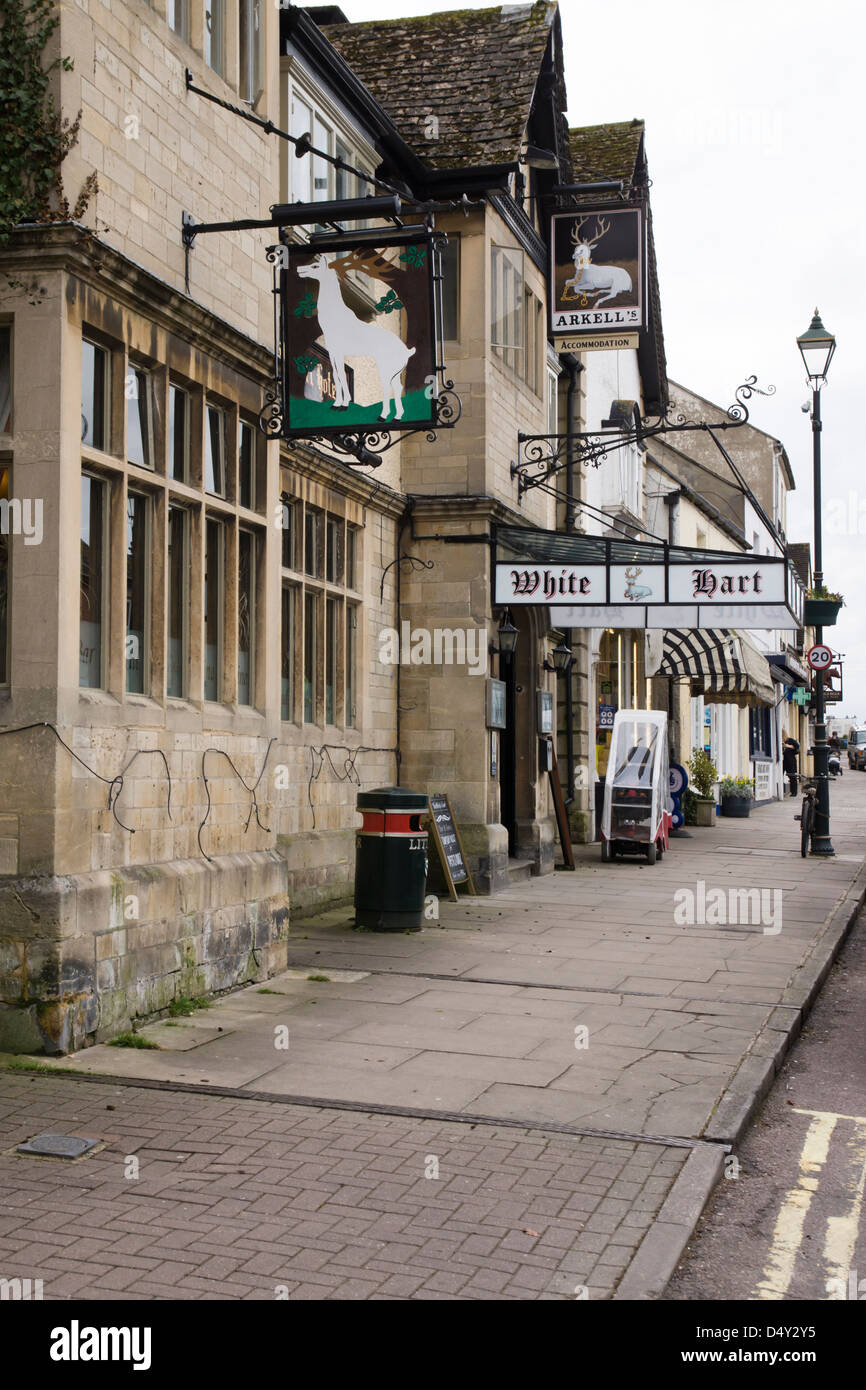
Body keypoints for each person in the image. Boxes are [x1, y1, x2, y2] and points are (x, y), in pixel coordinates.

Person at [782, 729, 800, 797]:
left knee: (792, 776)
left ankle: (794, 792)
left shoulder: (790, 740)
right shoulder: (779, 741)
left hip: (791, 761)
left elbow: (797, 747)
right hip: (783, 761)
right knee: (781, 774)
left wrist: (787, 746)